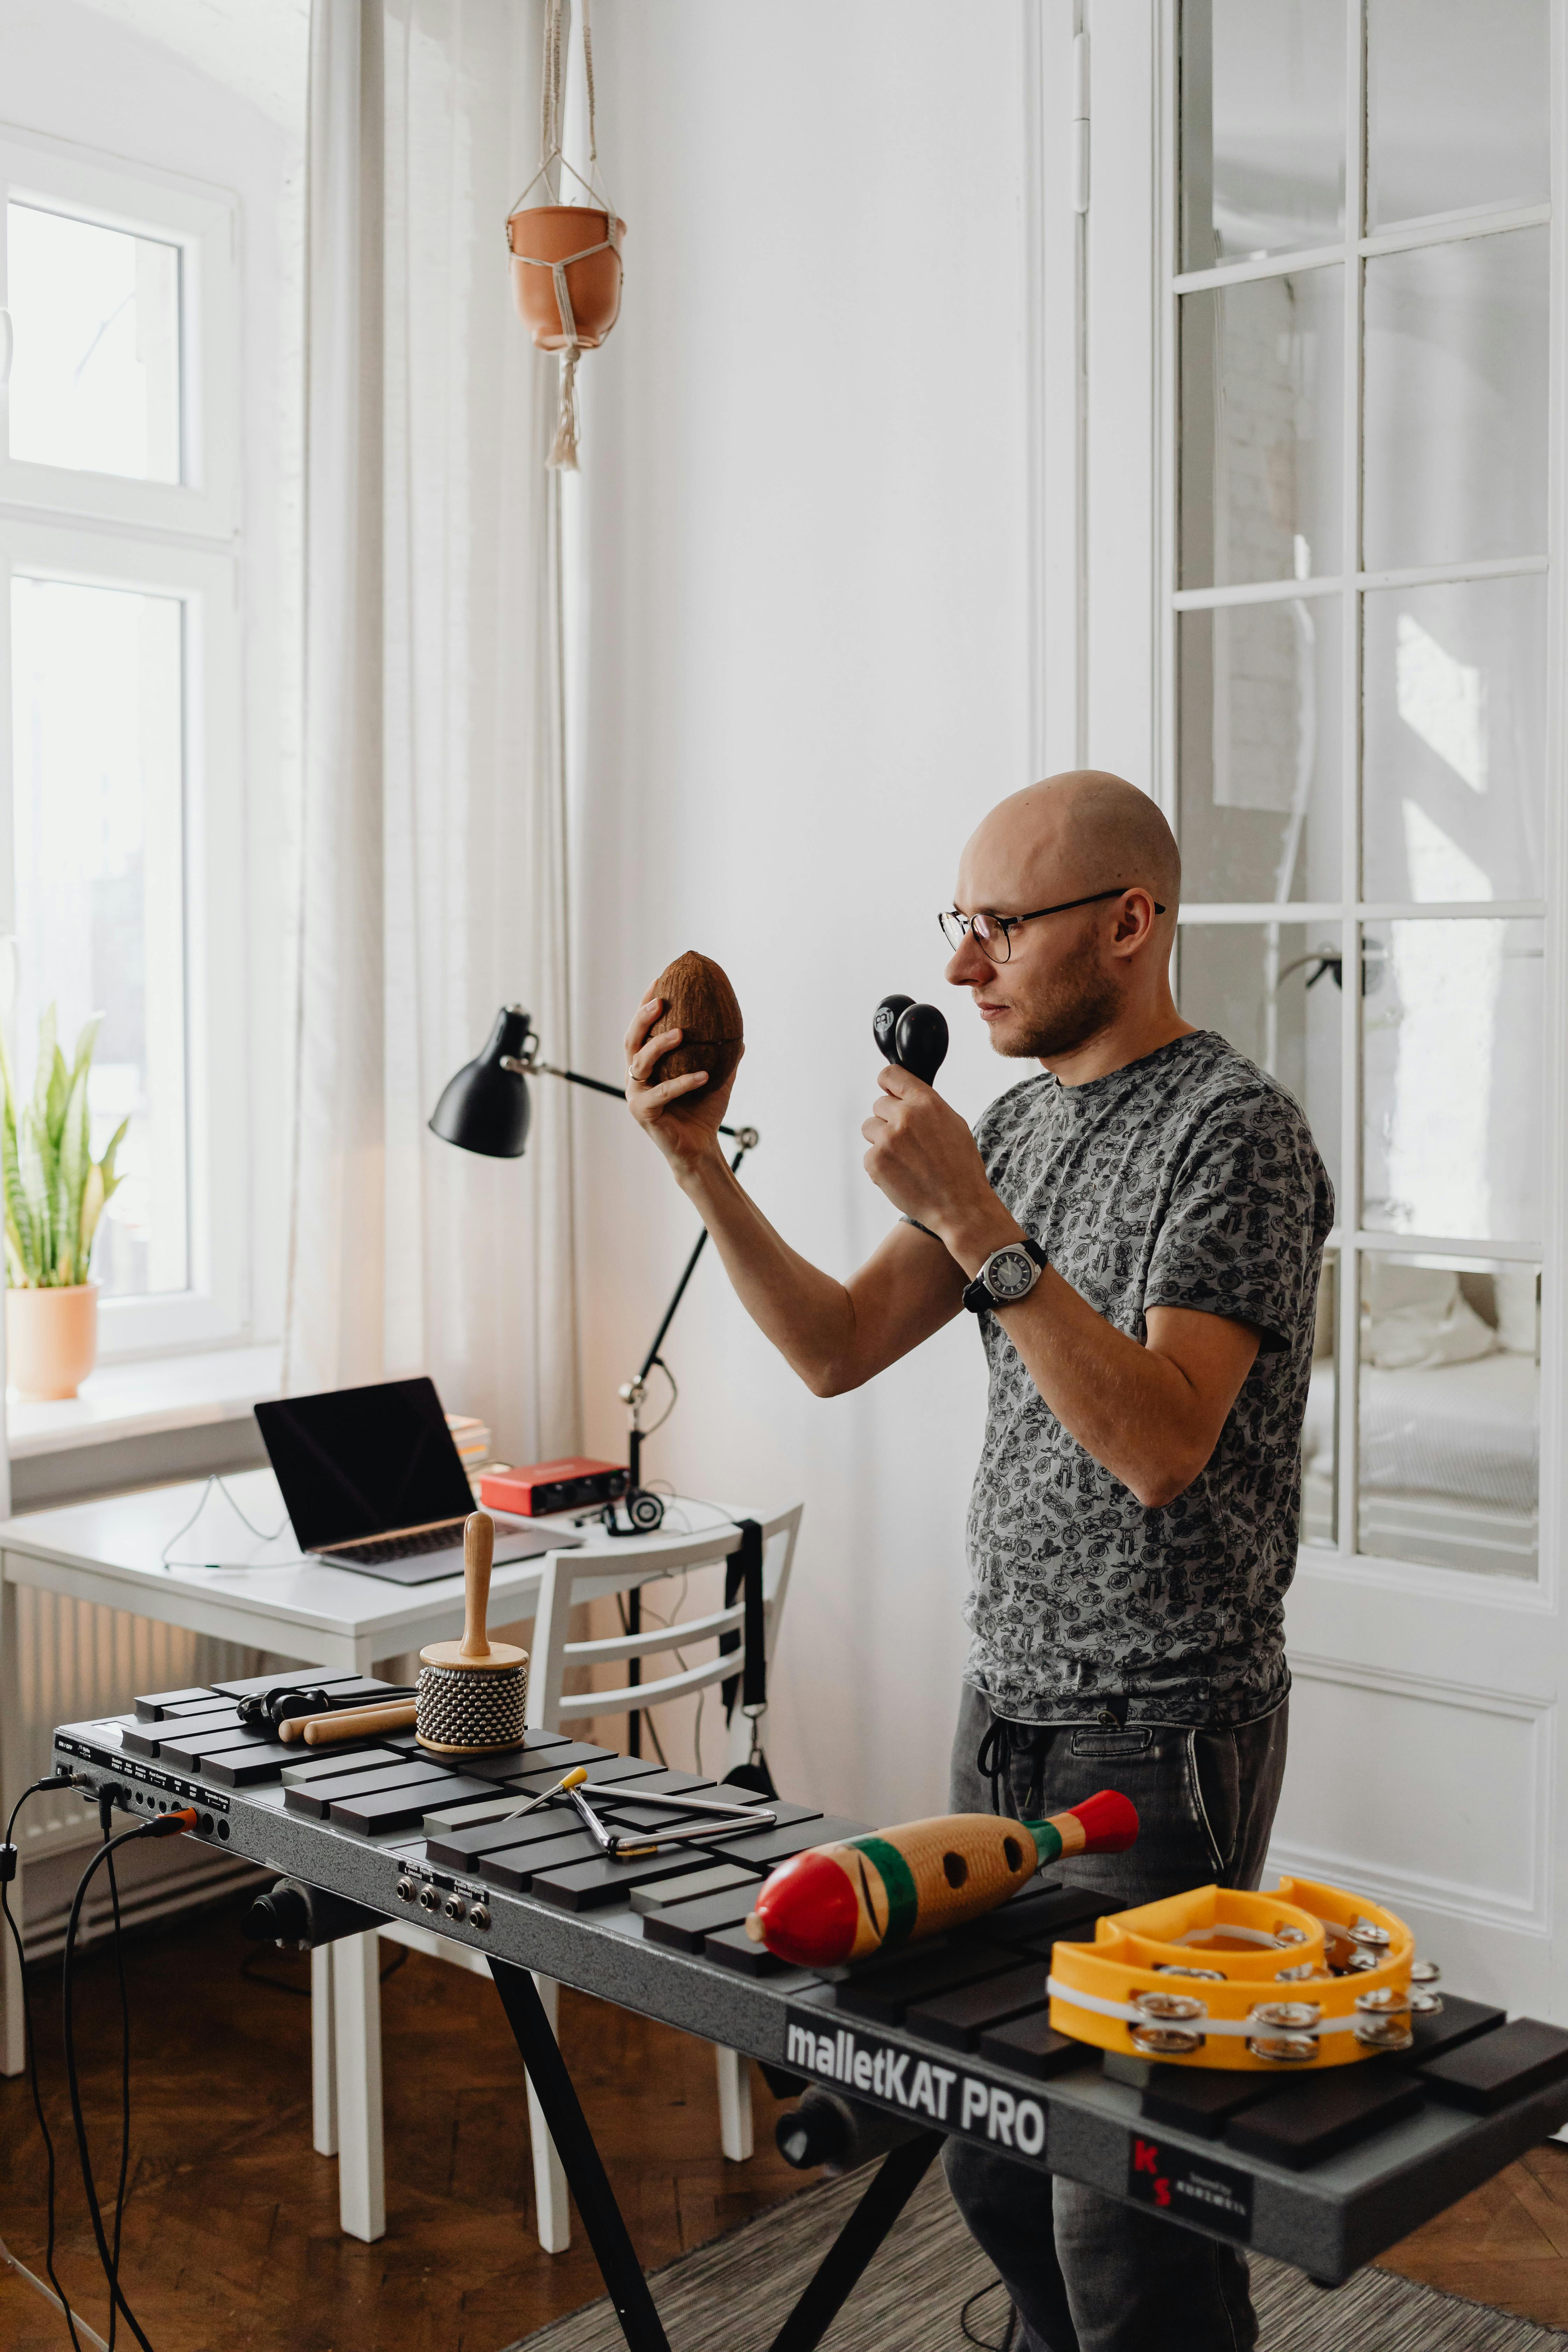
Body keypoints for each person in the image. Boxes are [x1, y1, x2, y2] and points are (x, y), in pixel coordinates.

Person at [624, 771, 1333, 2352]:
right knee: (999, 2160)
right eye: (961, 927)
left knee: (1129, 2213)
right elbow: (834, 1346)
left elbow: (1159, 1446)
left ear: (1131, 923)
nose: (962, 968)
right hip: (1000, 1714)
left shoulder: (1237, 1138)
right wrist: (698, 1169)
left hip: (1162, 1740)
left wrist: (977, 1223)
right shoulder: (1015, 1121)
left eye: (999, 927)